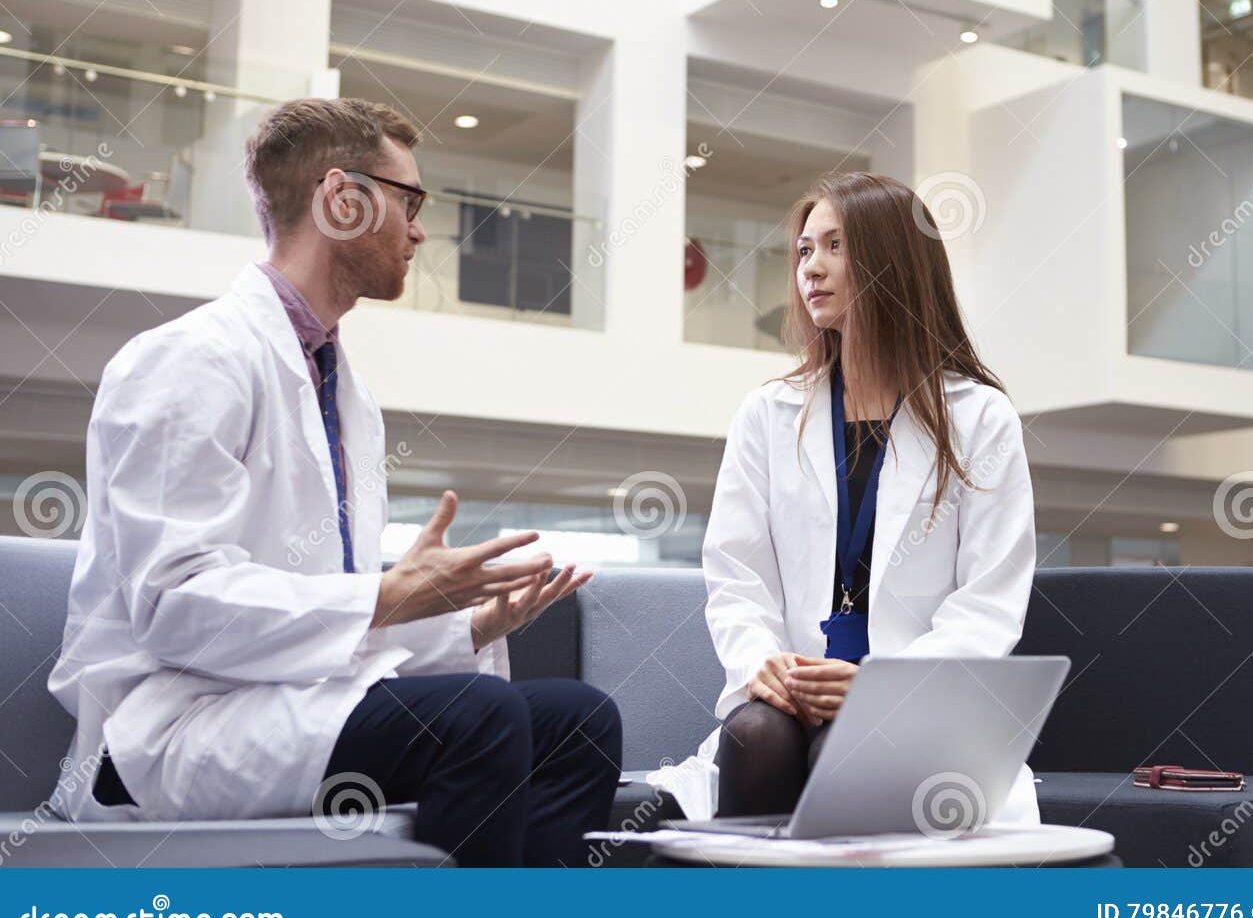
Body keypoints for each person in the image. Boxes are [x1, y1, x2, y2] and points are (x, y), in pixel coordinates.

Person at [46, 98, 621, 866]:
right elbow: (174, 607)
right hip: (167, 728)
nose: (420, 228)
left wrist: (462, 626)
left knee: (580, 721)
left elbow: (323, 622)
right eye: (409, 200)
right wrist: (387, 594)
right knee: (478, 716)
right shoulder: (187, 359)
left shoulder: (346, 393)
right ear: (341, 198)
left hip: (283, 703)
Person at [667, 170, 1037, 822]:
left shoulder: (980, 418)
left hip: (915, 698)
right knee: (754, 737)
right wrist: (764, 666)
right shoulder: (768, 413)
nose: (812, 266)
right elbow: (736, 575)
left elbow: (988, 601)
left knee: (858, 738)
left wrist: (878, 684)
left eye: (835, 246)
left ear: (891, 257)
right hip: (791, 691)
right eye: (805, 249)